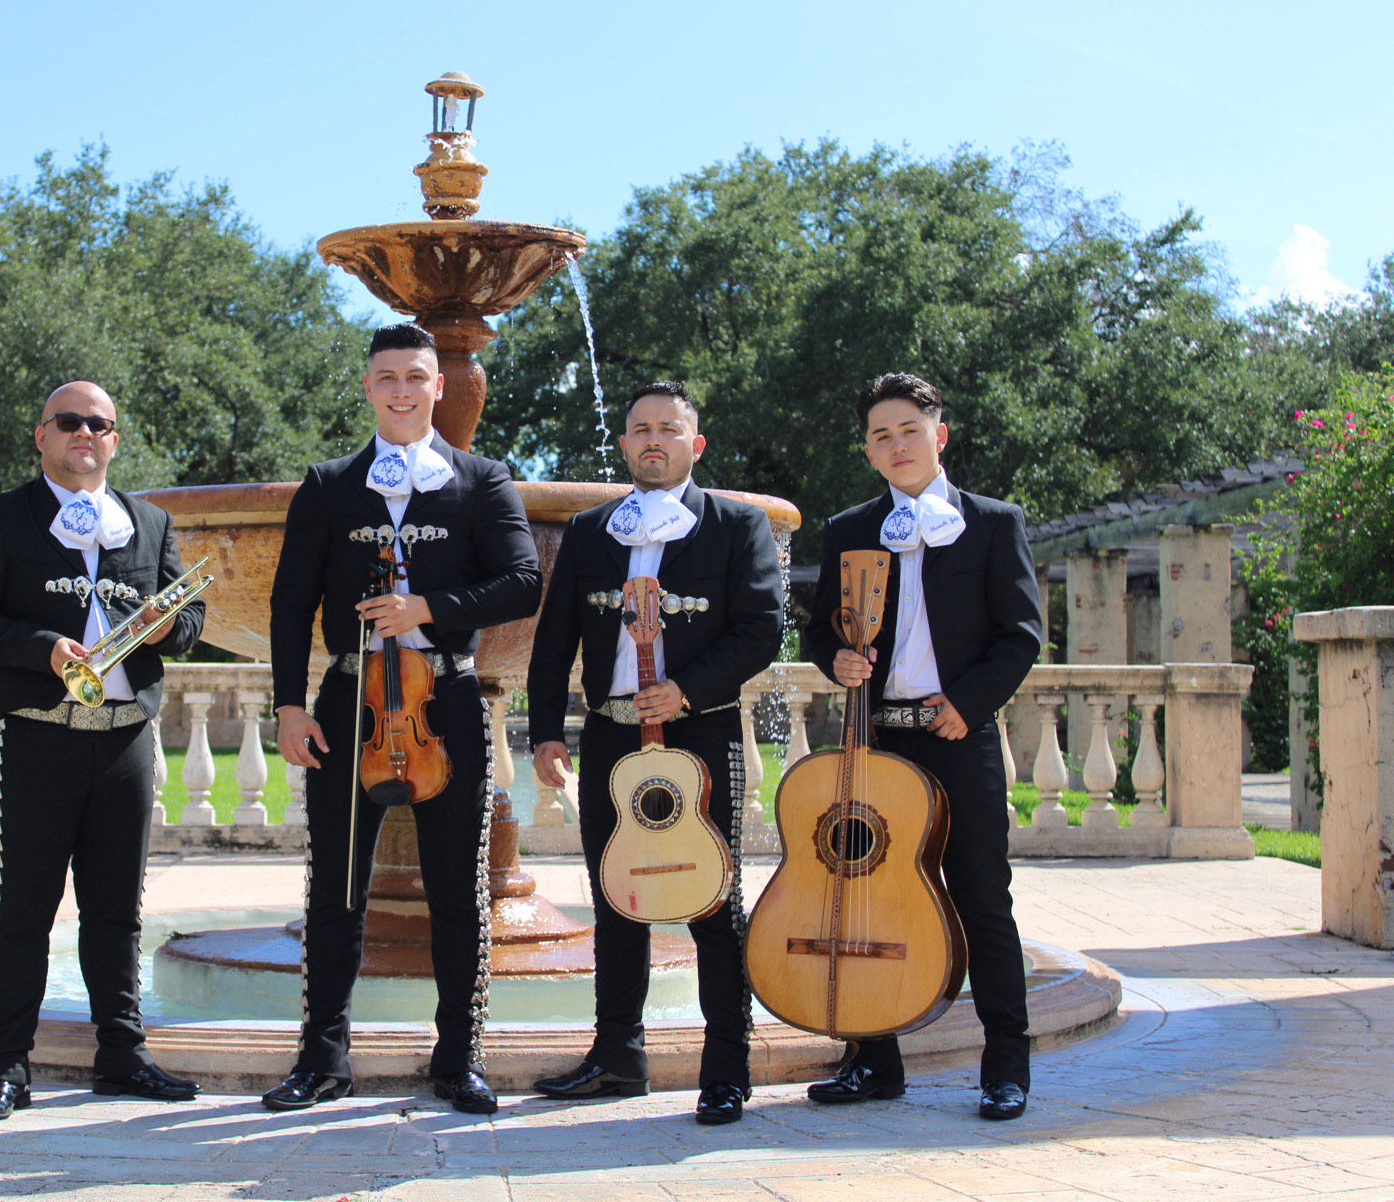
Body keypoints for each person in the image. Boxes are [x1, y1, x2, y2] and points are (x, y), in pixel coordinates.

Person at [262, 323, 541, 1116]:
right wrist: (288, 704)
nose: (402, 390)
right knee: (336, 891)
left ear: (438, 387)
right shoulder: (329, 484)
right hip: (348, 700)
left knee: (459, 889)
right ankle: (322, 1059)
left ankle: (459, 1057)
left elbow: (523, 581)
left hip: (447, 702)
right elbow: (290, 603)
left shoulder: (480, 479)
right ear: (368, 387)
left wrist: (431, 606)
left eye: (416, 376)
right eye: (387, 377)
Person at [0, 380, 207, 1122]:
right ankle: (5, 1067)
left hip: (125, 739)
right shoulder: (1, 518)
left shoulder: (149, 523)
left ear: (115, 440)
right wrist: (40, 647)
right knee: (25, 907)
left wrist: (164, 631)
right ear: (42, 436)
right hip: (38, 735)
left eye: (100, 423)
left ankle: (121, 1056)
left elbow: (193, 615)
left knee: (117, 911)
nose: (84, 432)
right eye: (69, 422)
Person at [527, 380, 787, 1126]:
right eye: (639, 428)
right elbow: (554, 644)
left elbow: (760, 630)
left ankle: (727, 1069)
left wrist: (685, 690)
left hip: (702, 731)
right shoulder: (590, 530)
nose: (652, 440)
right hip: (609, 733)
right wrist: (547, 731)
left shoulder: (738, 526)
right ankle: (617, 1057)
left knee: (712, 901)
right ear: (624, 444)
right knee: (618, 897)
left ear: (693, 444)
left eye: (668, 429)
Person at [800, 372, 1042, 1121]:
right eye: (881, 435)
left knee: (981, 900)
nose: (897, 444)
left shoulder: (995, 523)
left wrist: (966, 706)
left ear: (939, 435)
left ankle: (1006, 1068)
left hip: (956, 736)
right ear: (869, 452)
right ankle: (874, 1062)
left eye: (910, 429)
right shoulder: (847, 530)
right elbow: (817, 630)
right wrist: (833, 659)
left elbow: (1022, 634)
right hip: (874, 742)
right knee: (867, 896)